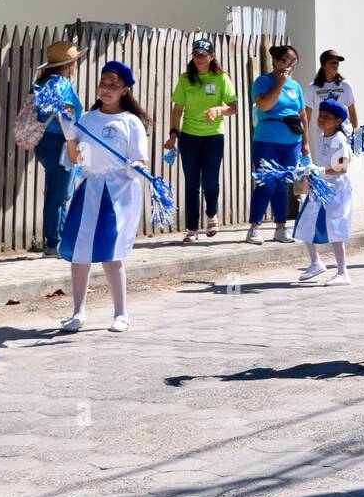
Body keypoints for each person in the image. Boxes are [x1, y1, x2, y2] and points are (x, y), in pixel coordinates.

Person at [57, 61, 150, 333]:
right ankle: (78, 312)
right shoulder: (86, 120)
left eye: (113, 85)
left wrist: (136, 167)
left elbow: (139, 161)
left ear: (125, 90)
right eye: (103, 83)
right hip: (90, 190)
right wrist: (69, 136)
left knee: (111, 253)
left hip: (118, 193)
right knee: (79, 252)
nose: (106, 89)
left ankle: (121, 314)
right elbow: (76, 160)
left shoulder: (131, 122)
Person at [162, 39, 238, 243]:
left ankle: (212, 214)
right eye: (195, 54)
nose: (198, 58)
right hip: (189, 137)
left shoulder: (222, 78)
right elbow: (177, 110)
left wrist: (218, 109)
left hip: (213, 137)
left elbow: (234, 107)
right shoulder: (186, 79)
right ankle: (192, 228)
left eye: (203, 55)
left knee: (211, 180)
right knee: (192, 183)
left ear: (212, 56)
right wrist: (173, 136)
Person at [248, 45, 310, 244]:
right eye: (286, 61)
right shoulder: (264, 81)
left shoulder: (296, 86)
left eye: (293, 62)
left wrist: (306, 144)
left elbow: (303, 116)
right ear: (275, 61)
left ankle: (281, 228)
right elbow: (265, 105)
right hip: (267, 140)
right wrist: (280, 84)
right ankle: (254, 227)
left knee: (283, 185)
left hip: (292, 141)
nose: (290, 66)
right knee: (267, 183)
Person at [32, 41, 85, 255]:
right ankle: (55, 242)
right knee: (61, 194)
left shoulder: (46, 83)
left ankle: (57, 239)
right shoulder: (61, 85)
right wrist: (73, 144)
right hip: (60, 142)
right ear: (68, 64)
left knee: (57, 191)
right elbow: (67, 116)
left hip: (46, 142)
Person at [293, 100, 353, 286]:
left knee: (335, 229)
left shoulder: (339, 140)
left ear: (337, 121)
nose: (322, 119)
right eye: (321, 115)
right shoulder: (321, 136)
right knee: (305, 223)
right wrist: (308, 173)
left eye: (328, 117)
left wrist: (319, 170)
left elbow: (342, 167)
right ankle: (315, 262)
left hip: (336, 189)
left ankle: (343, 272)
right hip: (320, 186)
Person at [304, 49, 359, 131]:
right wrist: (303, 138)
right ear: (323, 65)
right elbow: (307, 114)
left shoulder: (345, 85)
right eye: (332, 62)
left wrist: (356, 135)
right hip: (322, 136)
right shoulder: (313, 87)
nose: (335, 65)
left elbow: (352, 111)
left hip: (344, 134)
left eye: (337, 62)